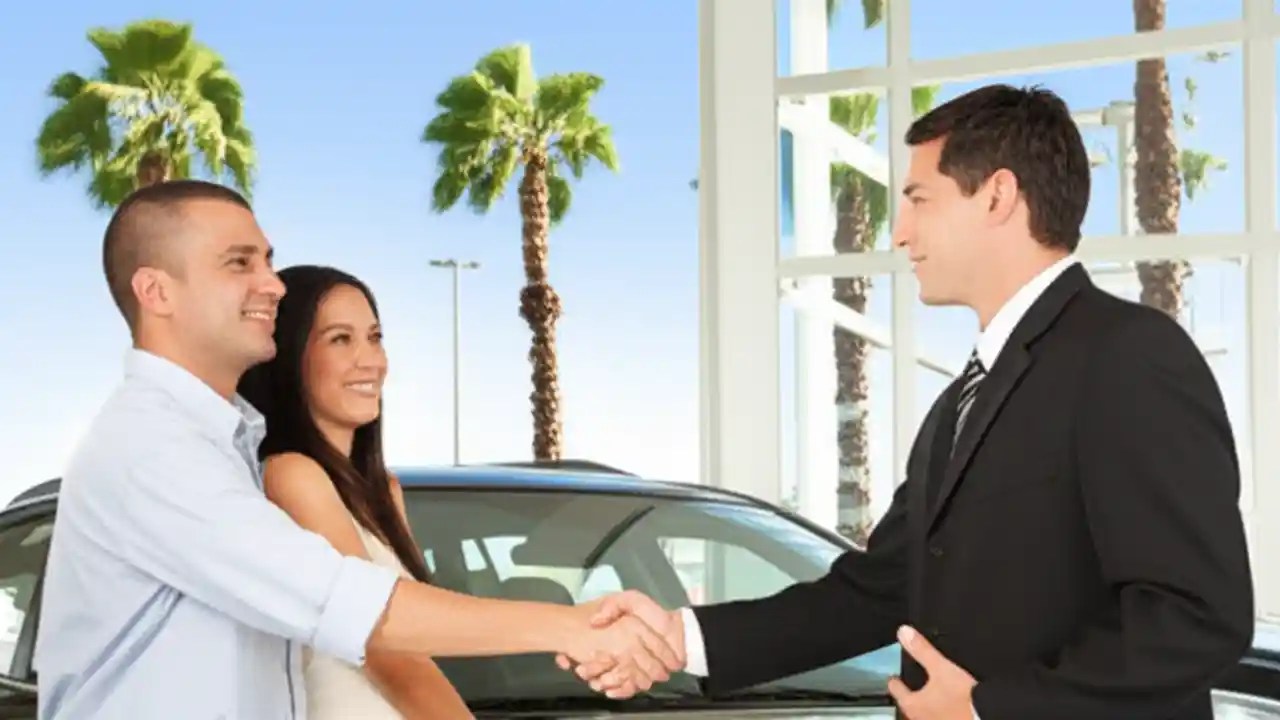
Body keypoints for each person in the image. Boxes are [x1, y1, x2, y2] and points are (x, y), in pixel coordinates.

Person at [565, 84, 1255, 720]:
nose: (899, 232)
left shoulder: (1128, 356)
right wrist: (681, 637)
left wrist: (992, 708)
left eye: (919, 199)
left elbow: (1198, 615)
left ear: (997, 197)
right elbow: (877, 590)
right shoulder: (962, 400)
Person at [33, 180, 681, 720]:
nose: (273, 285)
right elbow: (344, 603)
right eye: (239, 263)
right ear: (157, 293)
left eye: (267, 260)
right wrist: (570, 626)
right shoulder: (152, 448)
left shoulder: (217, 445)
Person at [235, 263, 472, 718]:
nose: (371, 360)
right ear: (287, 357)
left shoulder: (385, 491)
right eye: (340, 339)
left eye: (375, 337)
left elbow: (414, 646)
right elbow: (382, 645)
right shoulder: (290, 475)